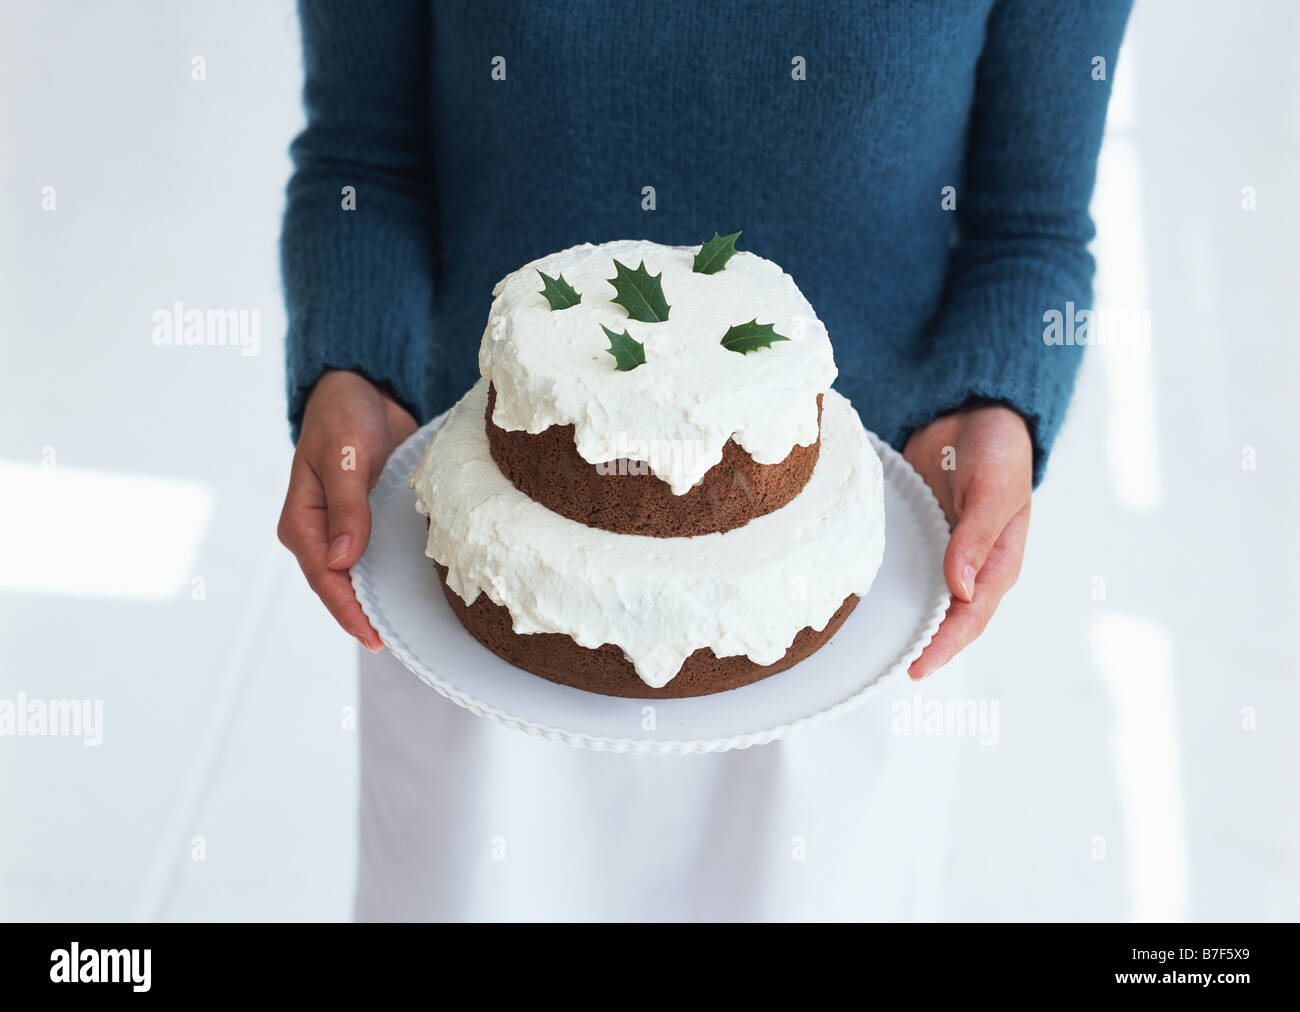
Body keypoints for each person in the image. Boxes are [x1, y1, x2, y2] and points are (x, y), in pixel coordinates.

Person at [277, 0, 1132, 920]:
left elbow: (1031, 227)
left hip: (845, 617)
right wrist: (355, 366)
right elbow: (363, 165)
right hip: (478, 597)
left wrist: (990, 404)